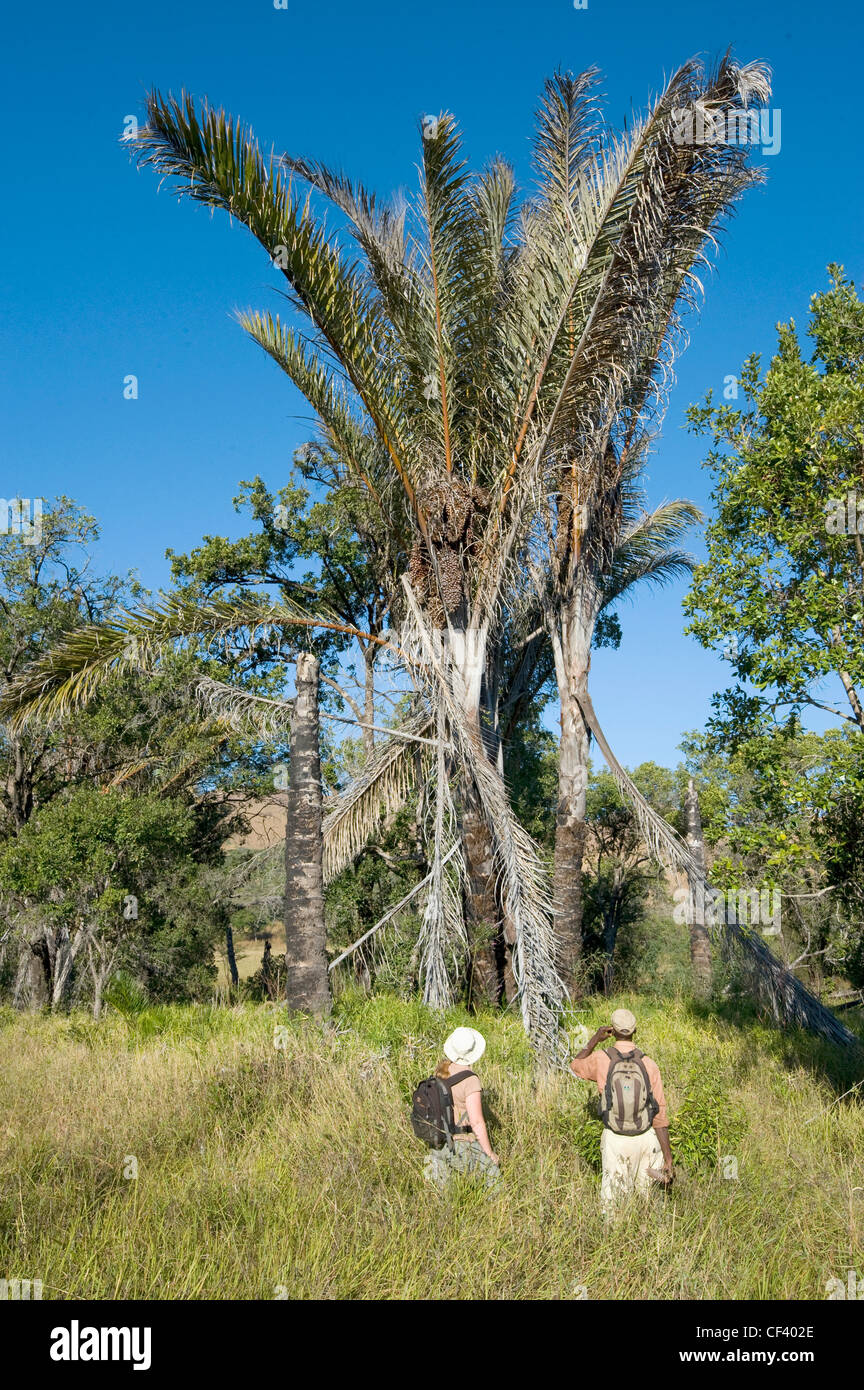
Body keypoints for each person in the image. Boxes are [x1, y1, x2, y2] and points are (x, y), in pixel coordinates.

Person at [570, 1008, 673, 1212]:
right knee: (649, 1204)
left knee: (613, 1205)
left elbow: (575, 1065)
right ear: (635, 1031)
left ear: (613, 1032)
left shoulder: (601, 1058)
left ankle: (614, 1238)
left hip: (615, 1138)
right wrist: (668, 1158)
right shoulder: (648, 1064)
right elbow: (659, 1116)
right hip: (645, 1137)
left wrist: (594, 1040)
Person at [422, 1027, 500, 1190]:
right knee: (497, 1190)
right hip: (463, 1146)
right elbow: (477, 1122)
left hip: (439, 1146)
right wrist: (489, 1154)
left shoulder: (440, 1072)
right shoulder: (470, 1079)